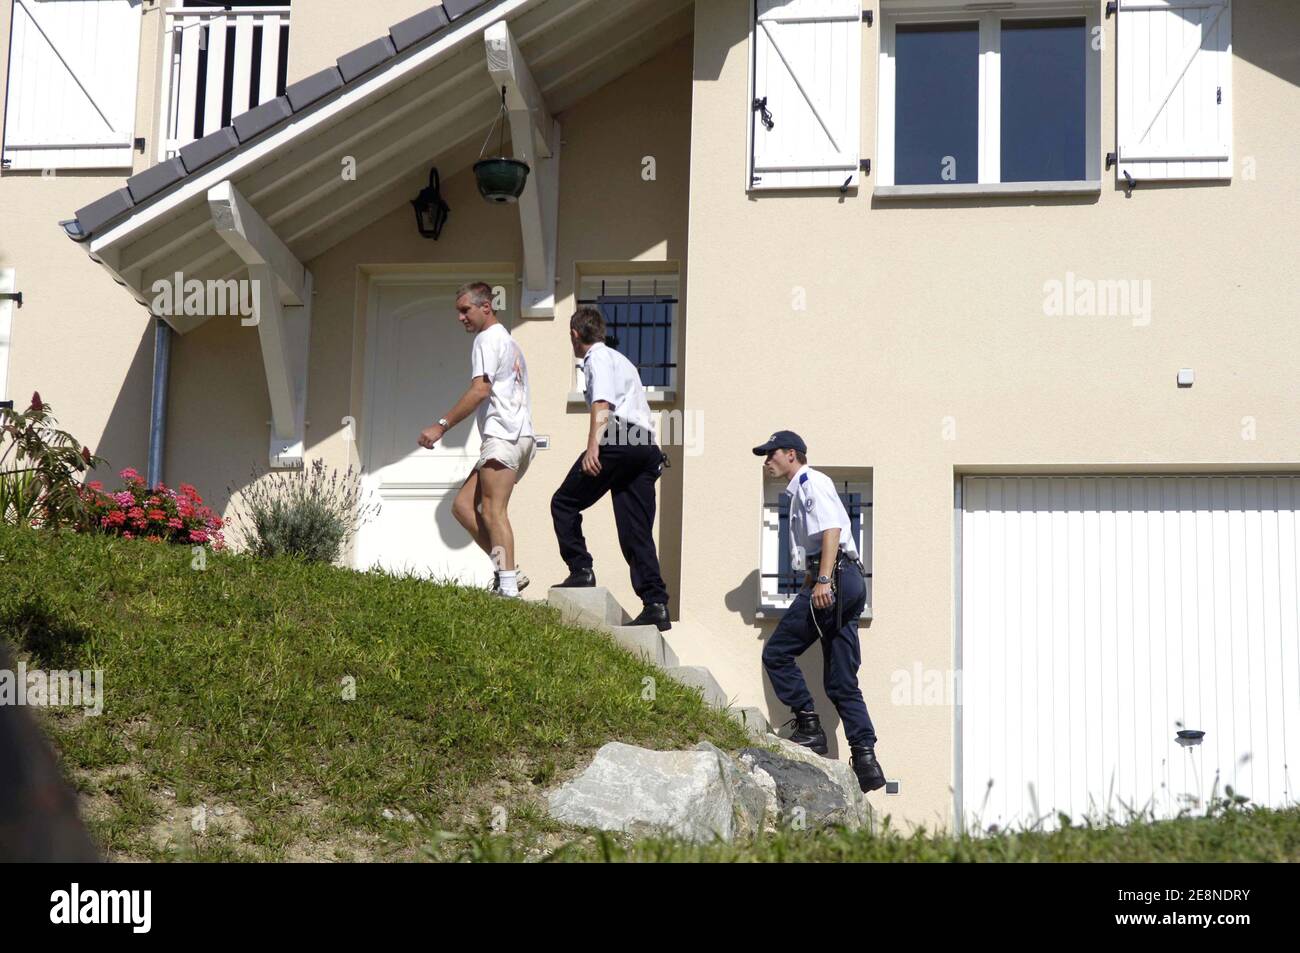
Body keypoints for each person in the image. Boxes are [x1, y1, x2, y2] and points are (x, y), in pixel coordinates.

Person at [753, 430, 885, 793]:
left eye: (771, 454)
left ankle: (810, 727)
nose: (767, 461)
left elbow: (832, 529)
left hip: (837, 578)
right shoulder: (801, 488)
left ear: (792, 454)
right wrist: (818, 577)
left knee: (778, 653)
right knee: (841, 681)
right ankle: (866, 758)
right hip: (847, 580)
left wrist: (822, 581)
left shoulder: (810, 482)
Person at [551, 307, 672, 631]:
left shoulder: (597, 360)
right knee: (636, 530)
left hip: (618, 438)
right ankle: (656, 604)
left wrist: (594, 446)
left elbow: (602, 403)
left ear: (575, 335)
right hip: (645, 445)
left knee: (564, 502)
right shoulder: (624, 361)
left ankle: (581, 570)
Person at [418, 282, 535, 597]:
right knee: (463, 507)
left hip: (504, 436)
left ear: (486, 307)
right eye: (458, 311)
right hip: (518, 438)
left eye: (465, 310)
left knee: (494, 511)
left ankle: (508, 589)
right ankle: (510, 571)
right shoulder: (508, 341)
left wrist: (441, 426)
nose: (461, 318)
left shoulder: (487, 339)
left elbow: (480, 390)